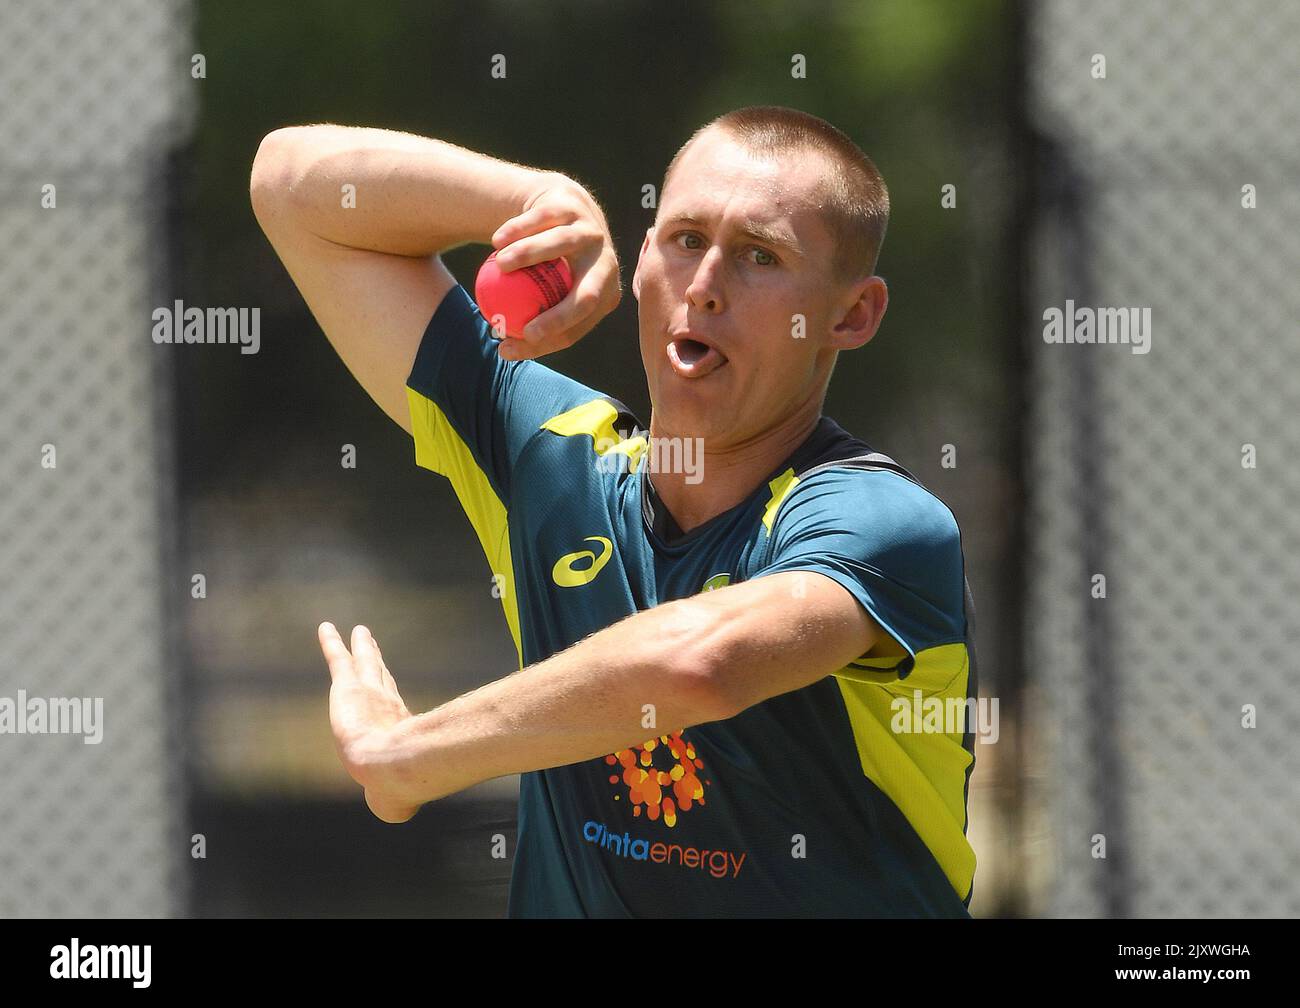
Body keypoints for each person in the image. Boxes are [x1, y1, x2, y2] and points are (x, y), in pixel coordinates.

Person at [250, 105, 979, 917]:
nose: (704, 287)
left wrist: (408, 758)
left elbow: (701, 665)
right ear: (641, 260)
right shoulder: (554, 457)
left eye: (759, 257)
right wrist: (533, 198)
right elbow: (290, 184)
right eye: (686, 239)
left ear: (852, 315)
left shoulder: (883, 522)